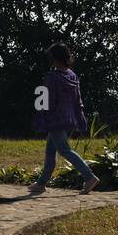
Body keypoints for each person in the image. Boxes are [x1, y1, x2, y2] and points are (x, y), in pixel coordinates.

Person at [29, 43, 100, 195]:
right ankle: (41, 183)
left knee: (64, 150)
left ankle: (89, 176)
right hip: (68, 118)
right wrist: (79, 117)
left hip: (54, 119)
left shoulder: (52, 77)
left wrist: (41, 117)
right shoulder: (72, 75)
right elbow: (77, 99)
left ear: (54, 58)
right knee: (50, 151)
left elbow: (46, 99)